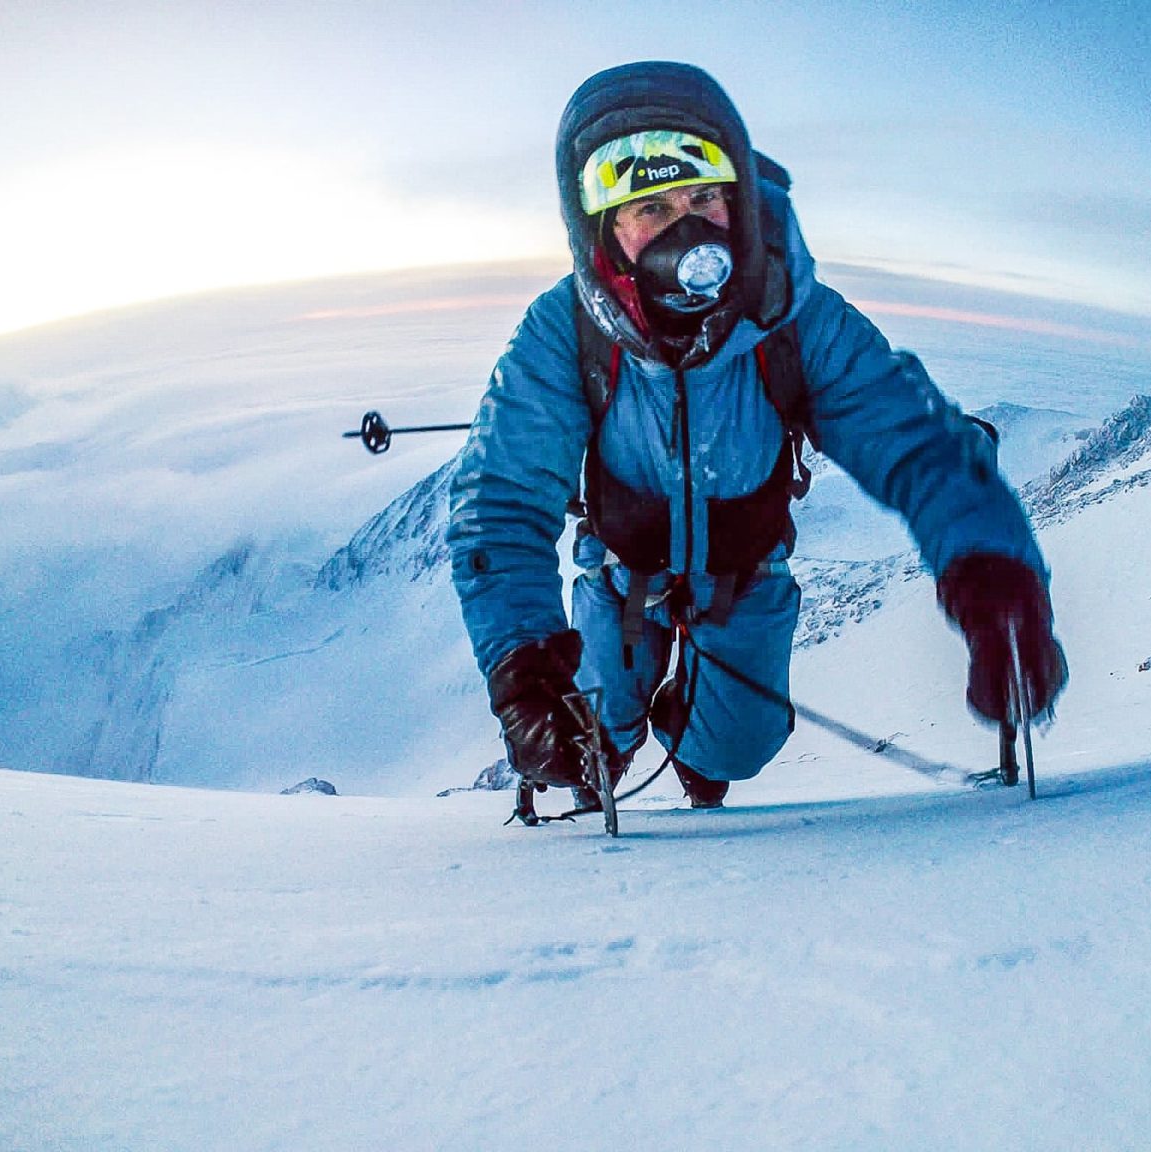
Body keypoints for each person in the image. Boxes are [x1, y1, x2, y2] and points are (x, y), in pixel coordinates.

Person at [447, 61, 1066, 811]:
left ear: (737, 200)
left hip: (745, 577)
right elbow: (502, 498)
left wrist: (992, 572)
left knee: (732, 752)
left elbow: (915, 444)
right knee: (587, 744)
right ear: (602, 230)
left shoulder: (793, 319)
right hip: (619, 578)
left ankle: (696, 741)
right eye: (648, 209)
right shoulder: (566, 330)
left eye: (703, 196)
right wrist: (524, 660)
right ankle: (610, 745)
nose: (685, 230)